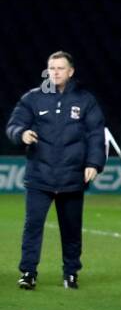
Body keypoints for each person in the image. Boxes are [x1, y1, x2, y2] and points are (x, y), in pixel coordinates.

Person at [7, 51, 105, 290]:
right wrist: (21, 133)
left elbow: (95, 134)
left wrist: (94, 163)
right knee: (33, 227)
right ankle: (28, 272)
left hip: (72, 177)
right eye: (51, 68)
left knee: (71, 230)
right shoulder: (33, 98)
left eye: (60, 68)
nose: (55, 72)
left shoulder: (85, 100)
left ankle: (71, 273)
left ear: (70, 71)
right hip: (39, 177)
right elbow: (14, 124)